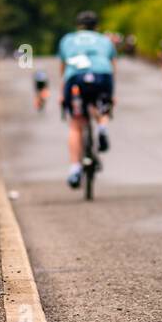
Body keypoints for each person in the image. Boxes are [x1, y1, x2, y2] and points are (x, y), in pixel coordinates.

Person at [58, 10, 116, 189]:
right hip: (102, 78)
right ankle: (102, 127)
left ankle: (75, 169)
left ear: (78, 26)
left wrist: (62, 94)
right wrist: (112, 95)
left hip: (76, 79)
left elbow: (63, 69)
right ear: (96, 26)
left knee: (76, 124)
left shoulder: (68, 40)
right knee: (102, 109)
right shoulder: (105, 40)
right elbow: (112, 67)